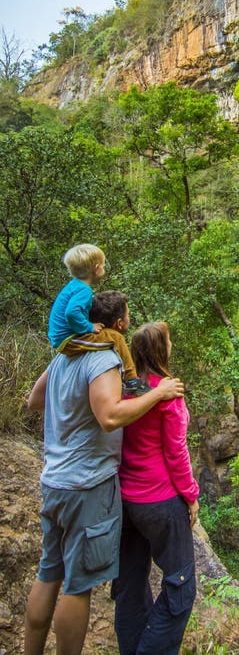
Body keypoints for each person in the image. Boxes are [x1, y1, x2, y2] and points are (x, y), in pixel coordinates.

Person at [24, 291, 185, 655]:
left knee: (49, 572)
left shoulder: (65, 354)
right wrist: (157, 395)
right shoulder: (104, 358)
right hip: (87, 486)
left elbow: (34, 401)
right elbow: (110, 417)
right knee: (77, 586)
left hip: (54, 481)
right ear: (120, 324)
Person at [113, 321, 200, 655]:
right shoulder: (168, 394)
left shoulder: (125, 391)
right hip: (160, 501)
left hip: (125, 500)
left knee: (130, 586)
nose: (172, 344)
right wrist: (191, 496)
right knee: (181, 587)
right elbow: (176, 452)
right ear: (162, 349)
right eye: (169, 340)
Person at [47, 243, 139, 387]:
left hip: (63, 337)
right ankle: (131, 379)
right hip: (69, 339)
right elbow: (71, 313)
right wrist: (88, 327)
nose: (104, 267)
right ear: (96, 269)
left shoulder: (74, 286)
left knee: (108, 335)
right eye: (103, 265)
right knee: (116, 338)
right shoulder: (84, 290)